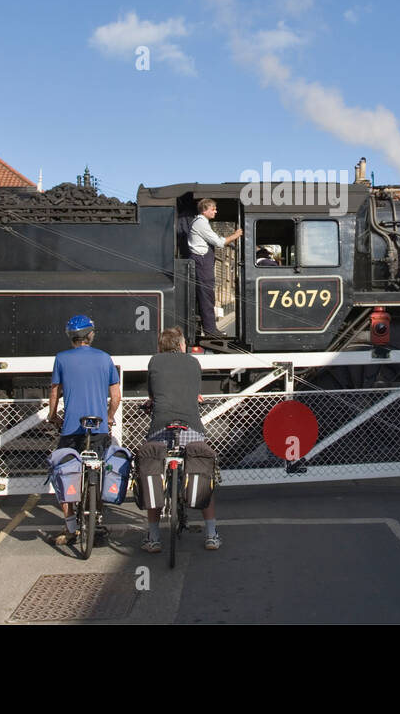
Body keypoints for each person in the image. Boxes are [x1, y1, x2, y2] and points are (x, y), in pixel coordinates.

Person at [141, 326, 220, 552]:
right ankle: (212, 534)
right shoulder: (194, 363)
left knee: (154, 474)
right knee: (205, 475)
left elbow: (153, 394)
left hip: (160, 427)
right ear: (181, 345)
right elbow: (194, 392)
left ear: (161, 346)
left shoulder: (154, 362)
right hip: (191, 428)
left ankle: (154, 537)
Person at [48, 315, 121, 546]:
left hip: (71, 429)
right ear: (91, 335)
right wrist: (108, 418)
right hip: (98, 429)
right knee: (97, 475)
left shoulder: (61, 359)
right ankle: (97, 522)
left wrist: (52, 416)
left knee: (63, 473)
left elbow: (54, 391)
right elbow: (116, 397)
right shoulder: (104, 358)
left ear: (70, 337)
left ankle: (70, 528)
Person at [189, 198, 242, 338]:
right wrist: (236, 235)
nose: (216, 212)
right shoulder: (200, 223)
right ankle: (210, 330)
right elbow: (219, 242)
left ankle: (210, 328)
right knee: (207, 295)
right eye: (213, 209)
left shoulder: (201, 222)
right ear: (205, 210)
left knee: (208, 295)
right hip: (202, 260)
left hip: (203, 260)